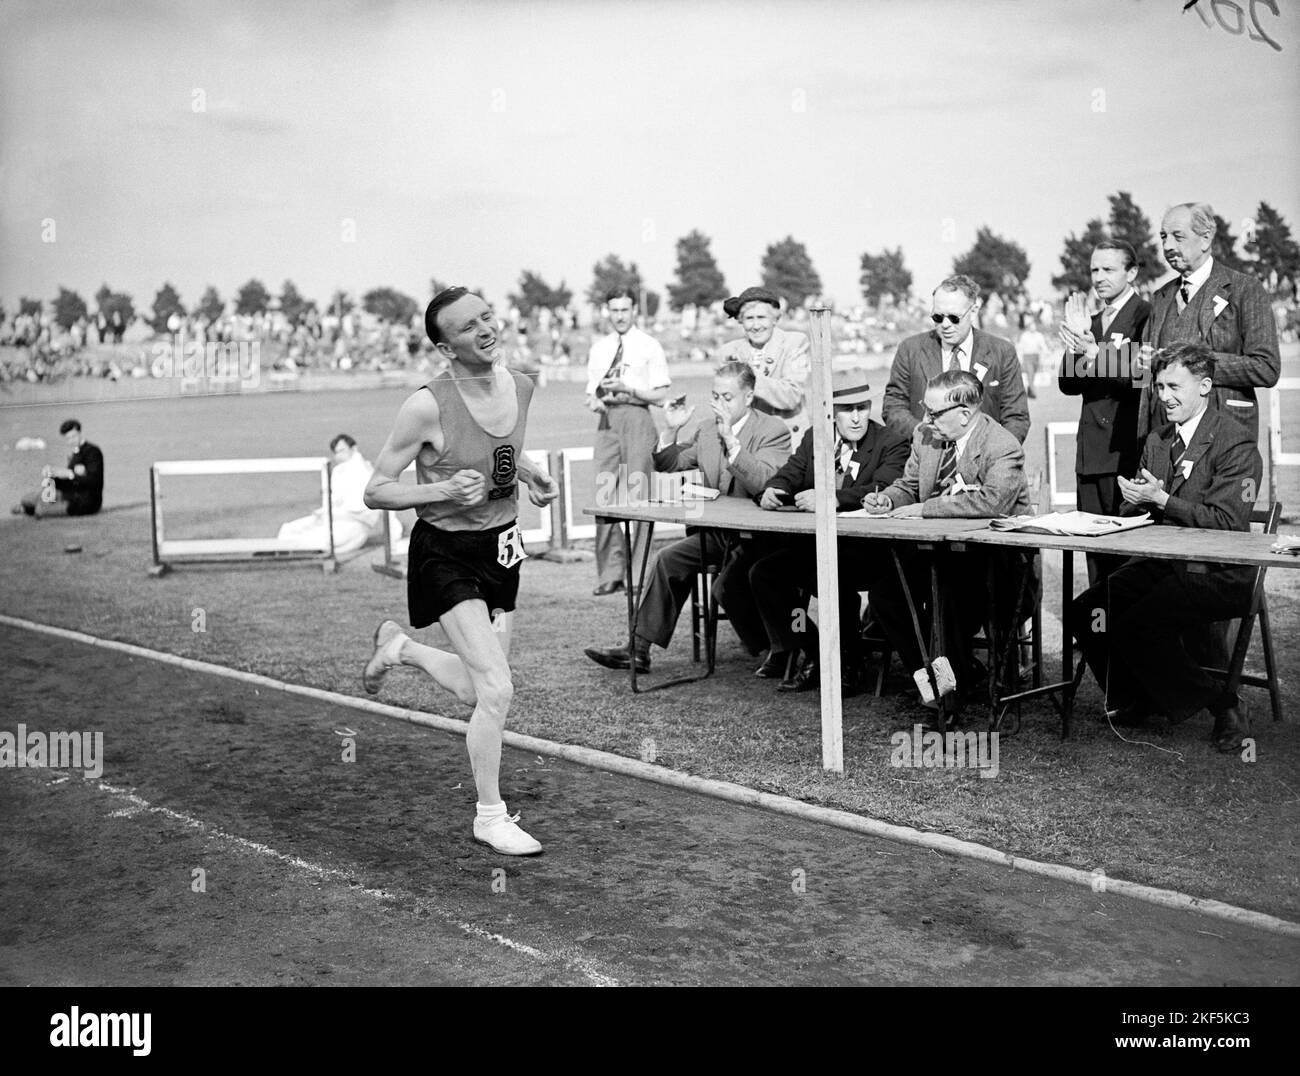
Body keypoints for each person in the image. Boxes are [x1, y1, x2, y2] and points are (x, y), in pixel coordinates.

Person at [359, 287, 559, 856]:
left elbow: (499, 450)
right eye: (468, 327)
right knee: (497, 688)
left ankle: (401, 649)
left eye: (487, 316)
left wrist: (530, 474)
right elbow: (375, 490)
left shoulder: (521, 385)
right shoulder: (426, 405)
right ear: (446, 348)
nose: (485, 329)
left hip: (502, 548)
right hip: (444, 552)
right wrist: (442, 487)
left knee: (480, 685)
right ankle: (490, 816)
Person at [1069, 342, 1261, 752]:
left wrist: (1162, 500)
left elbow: (1227, 522)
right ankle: (1135, 696)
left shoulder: (1235, 442)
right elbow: (1146, 509)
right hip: (1164, 564)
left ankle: (1223, 703)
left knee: (1139, 622)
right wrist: (1131, 500)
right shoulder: (1159, 439)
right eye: (1158, 386)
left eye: (1175, 386)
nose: (1164, 397)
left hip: (1219, 571)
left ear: (1205, 386)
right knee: (1089, 610)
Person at [584, 362, 790, 675]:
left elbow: (766, 482)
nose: (719, 404)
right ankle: (638, 650)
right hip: (718, 534)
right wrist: (670, 430)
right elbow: (671, 463)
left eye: (728, 397)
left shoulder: (772, 430)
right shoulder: (706, 429)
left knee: (726, 586)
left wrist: (733, 445)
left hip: (762, 538)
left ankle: (780, 649)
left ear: (748, 398)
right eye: (715, 396)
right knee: (668, 559)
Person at [865, 370, 1034, 714]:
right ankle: (938, 678)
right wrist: (889, 500)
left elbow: (993, 502)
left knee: (949, 597)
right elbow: (909, 485)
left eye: (935, 413)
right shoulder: (925, 436)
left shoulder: (1001, 445)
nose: (926, 419)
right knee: (886, 597)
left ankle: (948, 699)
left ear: (965, 414)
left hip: (995, 565)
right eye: (925, 409)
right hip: (937, 555)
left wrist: (925, 509)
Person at [750, 368, 910, 693]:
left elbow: (885, 486)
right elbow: (790, 473)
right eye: (846, 410)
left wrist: (830, 498)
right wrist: (771, 490)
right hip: (819, 547)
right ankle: (813, 649)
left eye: (861, 408)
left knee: (827, 577)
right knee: (765, 575)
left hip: (871, 552)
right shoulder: (815, 437)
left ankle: (850, 660)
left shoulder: (891, 443)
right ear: (830, 412)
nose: (855, 418)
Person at [1140, 202, 1280, 446]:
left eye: (1177, 237)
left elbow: (1266, 367)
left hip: (1223, 437)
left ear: (1205, 239)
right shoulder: (1160, 298)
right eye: (1163, 237)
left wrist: (1194, 365)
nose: (1167, 246)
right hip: (1164, 441)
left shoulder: (1245, 289)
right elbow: (1142, 376)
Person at [1058, 239, 1153, 585]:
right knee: (1096, 559)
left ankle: (1124, 637)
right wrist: (1077, 342)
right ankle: (1098, 637)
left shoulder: (1147, 315)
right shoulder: (1092, 321)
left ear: (1131, 272)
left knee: (1128, 558)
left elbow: (1141, 375)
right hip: (1092, 455)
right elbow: (1069, 385)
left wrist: (1092, 350)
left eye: (1108, 269)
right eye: (1094, 269)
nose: (1099, 277)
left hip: (1128, 449)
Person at [586, 288, 671, 596]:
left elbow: (661, 395)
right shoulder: (599, 348)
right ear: (606, 311)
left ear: (634, 310)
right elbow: (591, 391)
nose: (619, 316)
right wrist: (594, 401)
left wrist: (630, 389)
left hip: (638, 418)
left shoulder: (649, 345)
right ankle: (610, 572)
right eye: (614, 310)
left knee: (639, 494)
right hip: (608, 421)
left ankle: (638, 574)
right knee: (606, 495)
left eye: (624, 310)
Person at [882, 275, 1030, 444]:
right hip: (925, 459)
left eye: (954, 318)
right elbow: (893, 407)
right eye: (937, 317)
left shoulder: (1002, 352)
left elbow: (1016, 416)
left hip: (984, 462)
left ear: (973, 311)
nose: (945, 324)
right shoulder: (910, 350)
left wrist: (994, 453)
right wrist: (923, 435)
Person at [276, 434, 398, 561]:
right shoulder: (340, 471)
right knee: (289, 530)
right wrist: (324, 513)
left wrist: (329, 514)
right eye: (336, 452)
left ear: (354, 448)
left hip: (353, 527)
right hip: (334, 519)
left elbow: (366, 511)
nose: (338, 455)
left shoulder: (363, 471)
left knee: (316, 539)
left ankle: (294, 548)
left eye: (342, 450)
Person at [716, 286, 811, 445]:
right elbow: (725, 405)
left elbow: (791, 397)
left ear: (775, 318)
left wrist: (747, 376)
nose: (756, 325)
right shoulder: (728, 352)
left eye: (761, 317)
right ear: (740, 321)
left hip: (787, 442)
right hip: (745, 443)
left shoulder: (794, 343)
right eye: (749, 318)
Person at [13, 419, 103, 518]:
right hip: (70, 495)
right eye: (68, 438)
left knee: (41, 509)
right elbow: (69, 482)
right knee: (27, 498)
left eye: (73, 436)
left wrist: (70, 474)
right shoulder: (76, 454)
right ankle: (32, 507)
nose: (71, 440)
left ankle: (30, 509)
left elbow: (95, 481)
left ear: (79, 433)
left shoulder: (93, 452)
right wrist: (53, 475)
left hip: (85, 502)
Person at [1015, 317, 1047, 399]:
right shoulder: (1024, 336)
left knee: (1033, 375)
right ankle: (1033, 393)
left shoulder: (1039, 335)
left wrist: (1045, 353)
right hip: (1027, 357)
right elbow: (1020, 348)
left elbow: (1043, 346)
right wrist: (1020, 359)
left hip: (1036, 357)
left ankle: (1029, 389)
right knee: (1030, 373)